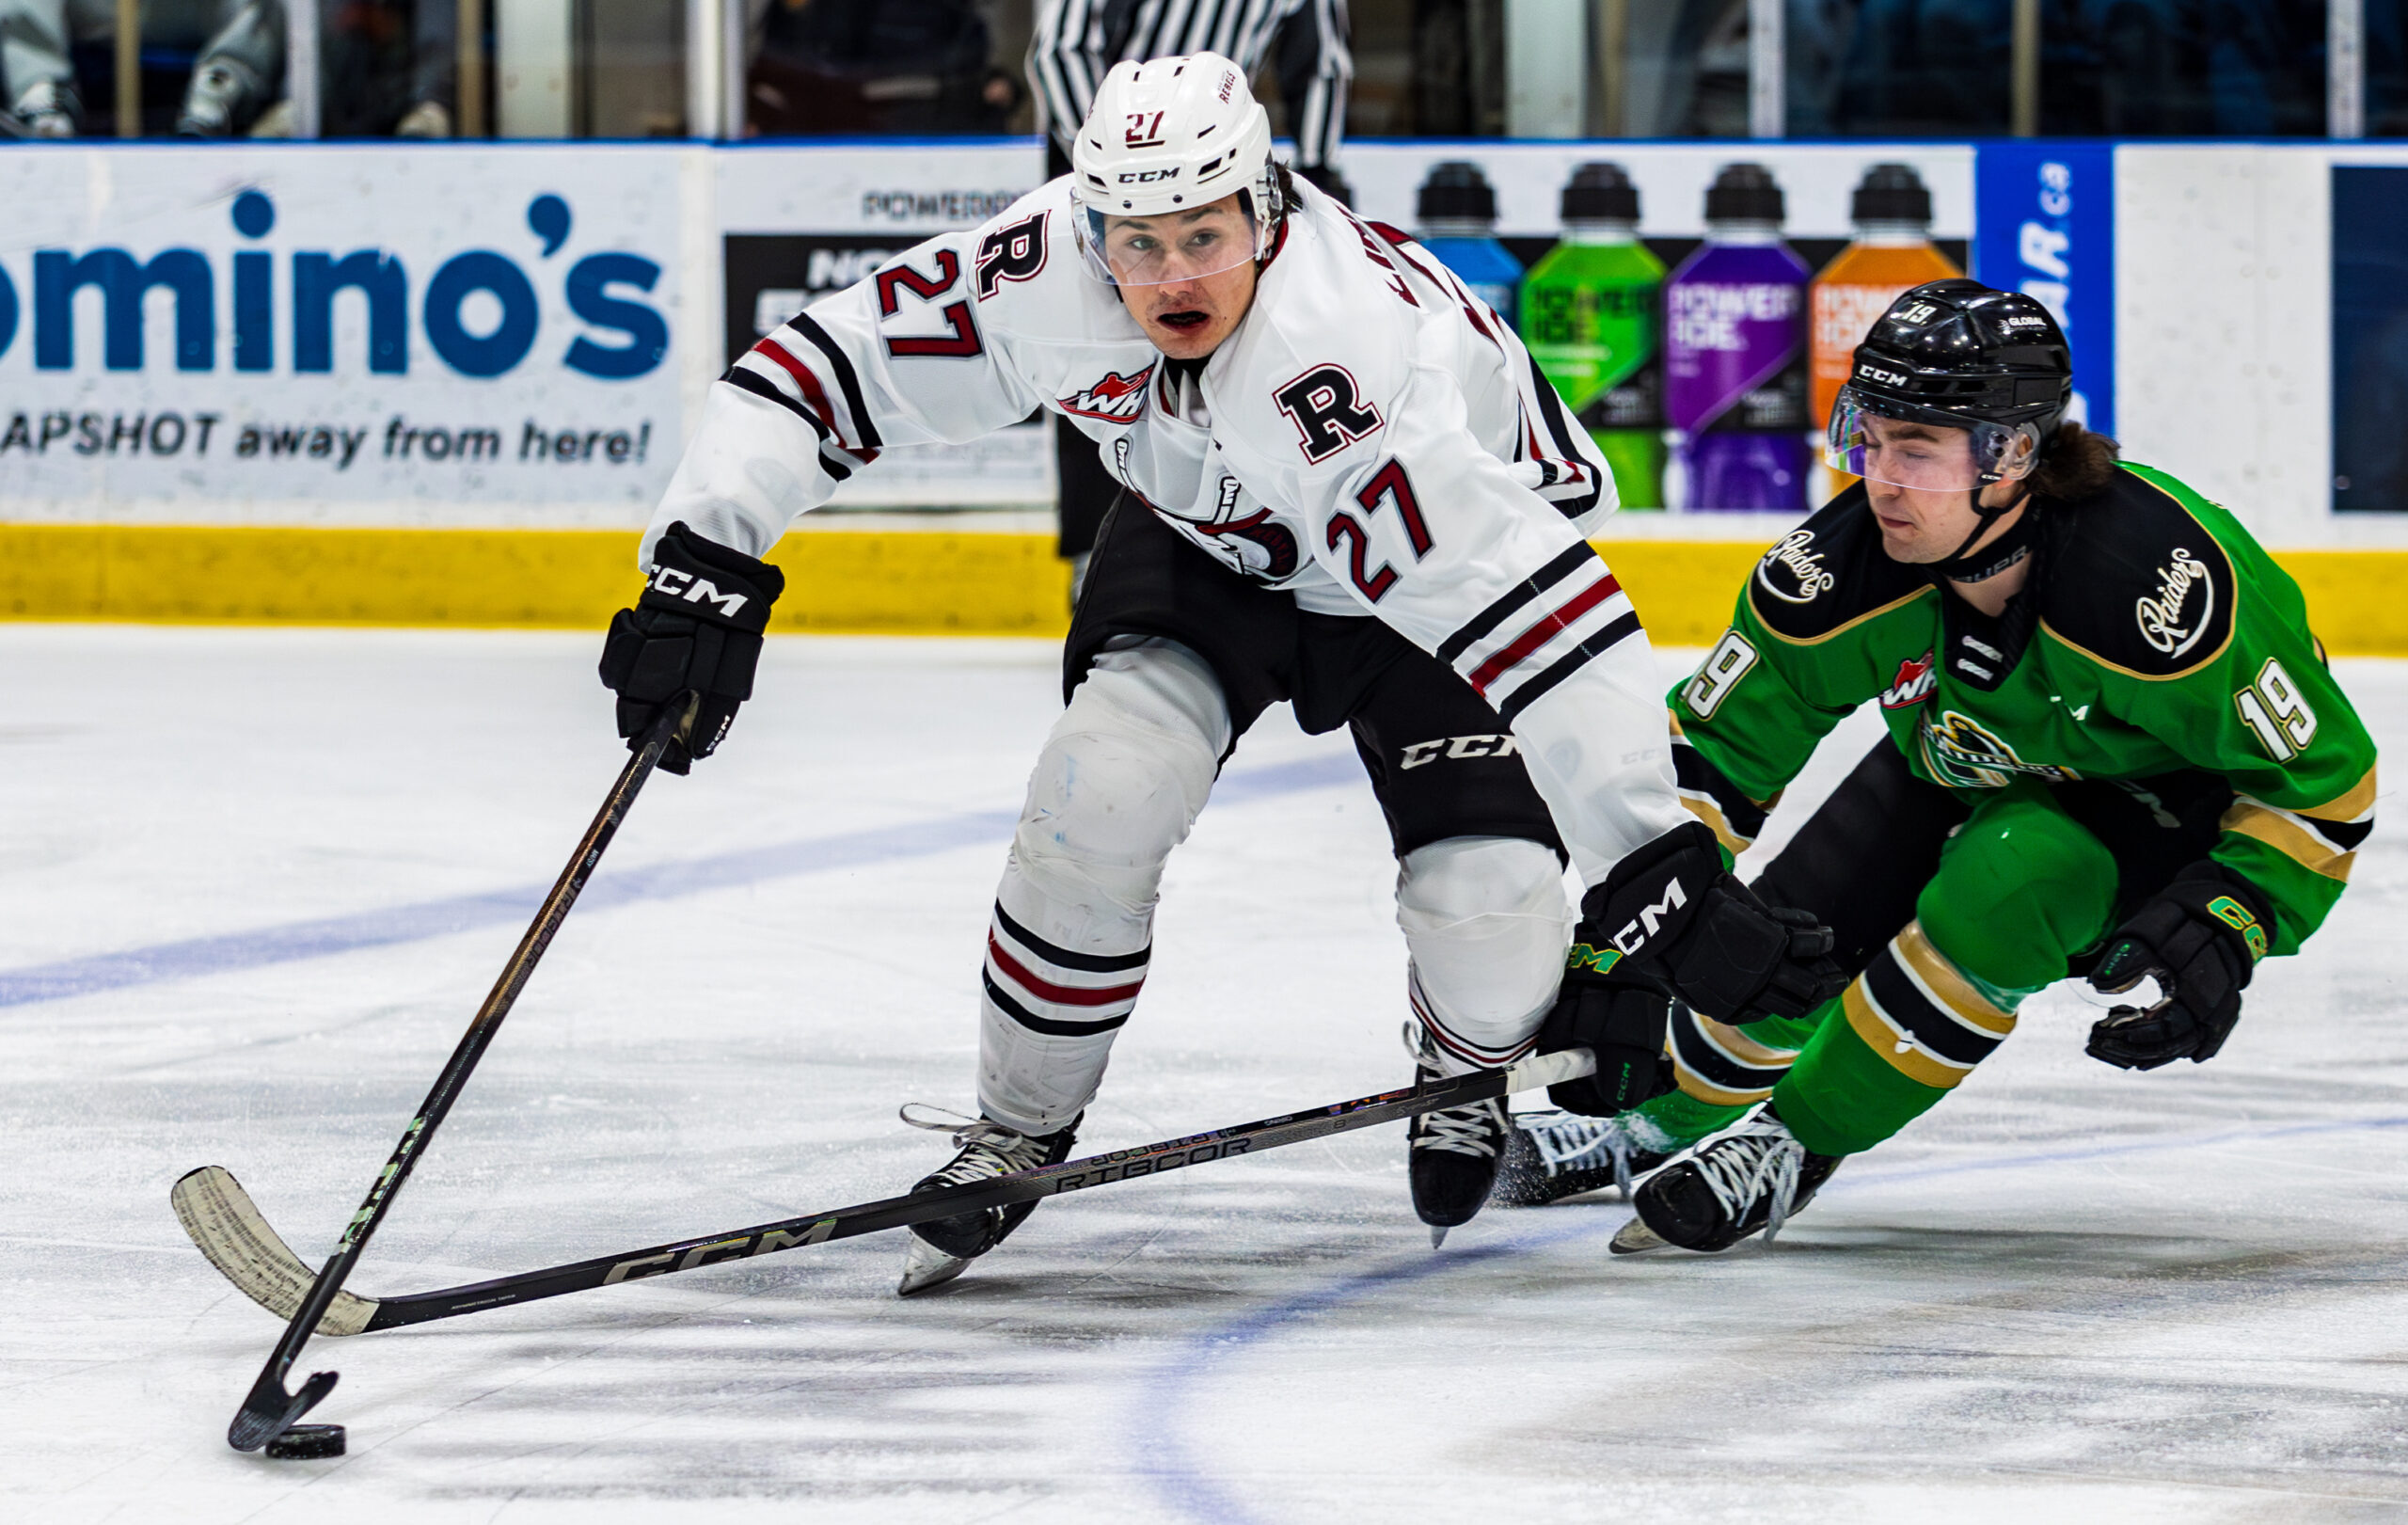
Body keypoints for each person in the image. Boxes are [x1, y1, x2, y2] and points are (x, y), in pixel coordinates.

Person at [595, 53, 1842, 1294]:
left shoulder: (1347, 370)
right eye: (1138, 242)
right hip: (1206, 540)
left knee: (1497, 909)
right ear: (1092, 229)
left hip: (1415, 590)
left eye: (1204, 232)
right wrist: (703, 555)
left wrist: (1651, 858)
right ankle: (1015, 1129)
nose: (1175, 275)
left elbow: (1530, 614)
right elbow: (821, 369)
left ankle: (1464, 1068)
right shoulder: (1039, 271)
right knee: (1098, 793)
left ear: (1265, 207)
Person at [1500, 278, 2377, 1254]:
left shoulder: (2156, 594)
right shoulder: (1837, 574)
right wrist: (1653, 920)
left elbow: (2322, 782)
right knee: (1781, 936)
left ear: (2011, 456)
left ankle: (1795, 1142)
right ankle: (1654, 1124)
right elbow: (1716, 752)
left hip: (2158, 815)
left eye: (1915, 449)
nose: (1877, 477)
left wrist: (2236, 912)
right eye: (1867, 437)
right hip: (1959, 761)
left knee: (2007, 880)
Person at [1028, 0, 1355, 596]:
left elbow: (1320, 64)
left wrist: (1312, 171)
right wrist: (1115, 163)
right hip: (1109, 179)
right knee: (1098, 356)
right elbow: (1061, 48)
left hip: (1219, 172)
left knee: (1250, 349)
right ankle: (1098, 550)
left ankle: (1239, 533)